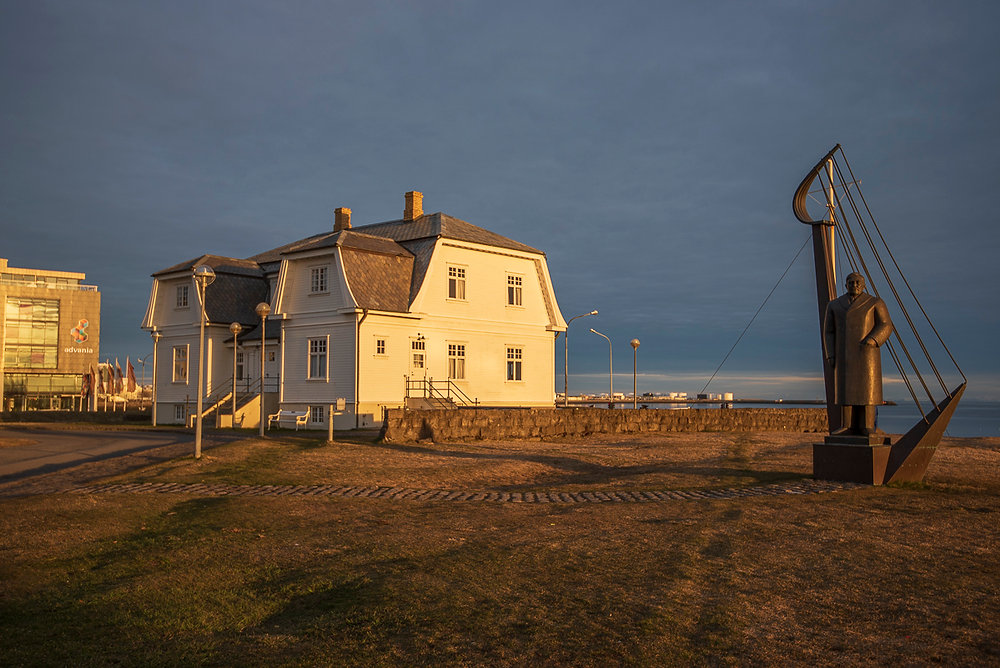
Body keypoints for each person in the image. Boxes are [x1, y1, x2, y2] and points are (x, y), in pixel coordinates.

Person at [823, 272, 893, 435]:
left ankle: (868, 425)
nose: (854, 285)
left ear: (864, 285)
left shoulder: (874, 302)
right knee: (845, 391)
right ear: (845, 285)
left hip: (867, 355)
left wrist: (873, 340)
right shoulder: (834, 305)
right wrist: (830, 354)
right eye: (851, 282)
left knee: (867, 390)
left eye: (857, 282)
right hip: (844, 354)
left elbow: (886, 325)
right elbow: (828, 331)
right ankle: (847, 425)